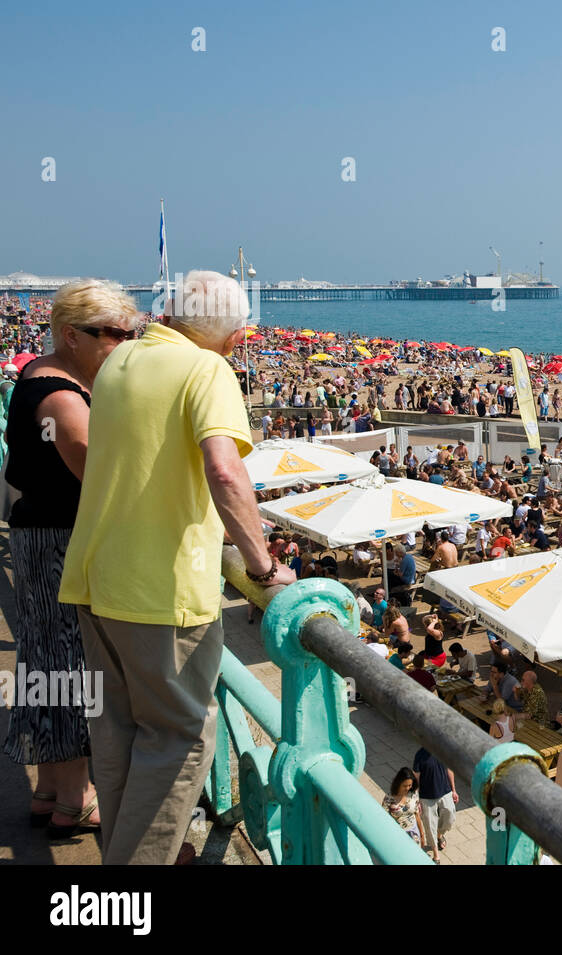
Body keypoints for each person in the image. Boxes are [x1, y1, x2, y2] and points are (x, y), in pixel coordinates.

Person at [59, 272, 296, 864]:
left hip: (95, 576)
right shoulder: (207, 369)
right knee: (181, 741)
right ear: (234, 337)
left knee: (115, 737)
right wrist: (263, 565)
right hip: (159, 591)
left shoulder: (120, 360)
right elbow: (224, 472)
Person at [3, 280, 139, 837]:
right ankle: (76, 797)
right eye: (113, 335)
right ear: (70, 335)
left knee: (45, 664)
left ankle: (50, 790)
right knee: (71, 667)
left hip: (38, 537)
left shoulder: (37, 374)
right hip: (61, 541)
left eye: (131, 334)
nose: (125, 345)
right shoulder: (62, 397)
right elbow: (99, 478)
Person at [412, 746, 457, 860]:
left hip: (445, 791)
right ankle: (436, 855)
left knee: (450, 818)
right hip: (427, 796)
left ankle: (439, 834)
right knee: (429, 825)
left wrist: (453, 790)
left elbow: (449, 770)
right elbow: (416, 778)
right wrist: (417, 799)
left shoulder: (444, 751)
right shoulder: (420, 755)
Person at [381, 768, 427, 846]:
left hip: (414, 834)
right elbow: (384, 819)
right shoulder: (388, 798)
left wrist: (422, 835)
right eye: (404, 786)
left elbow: (417, 815)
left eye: (410, 785)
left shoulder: (413, 794)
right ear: (398, 783)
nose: (407, 788)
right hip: (397, 835)